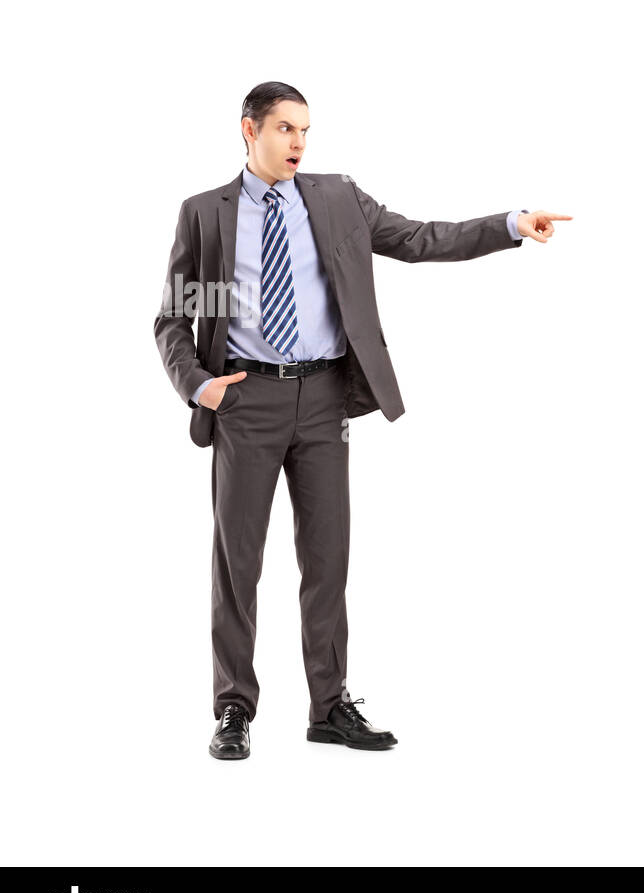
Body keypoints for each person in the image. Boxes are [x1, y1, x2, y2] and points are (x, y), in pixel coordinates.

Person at [153, 81, 571, 760]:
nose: (299, 142)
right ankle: (233, 708)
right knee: (238, 563)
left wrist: (510, 224)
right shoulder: (207, 213)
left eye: (305, 130)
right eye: (285, 129)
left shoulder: (336, 197)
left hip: (323, 400)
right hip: (245, 401)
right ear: (249, 130)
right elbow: (174, 317)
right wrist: (201, 387)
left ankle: (329, 707)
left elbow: (419, 238)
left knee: (327, 559)